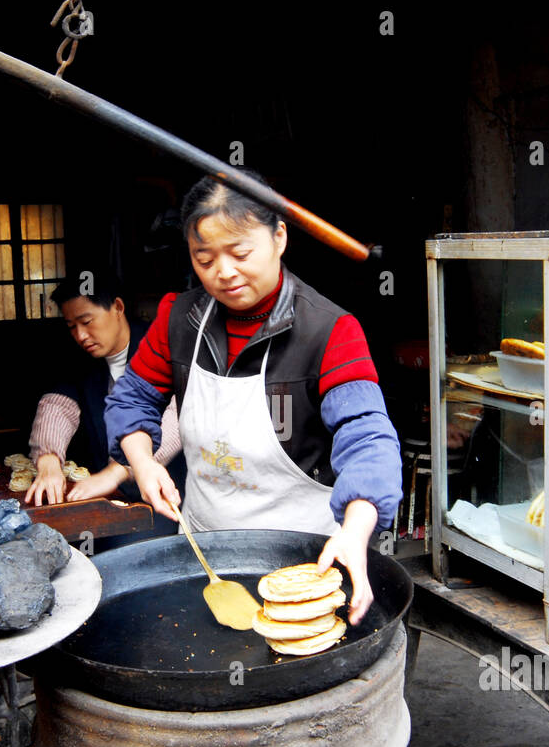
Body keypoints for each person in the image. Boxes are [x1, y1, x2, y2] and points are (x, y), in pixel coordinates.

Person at [105, 171, 402, 624]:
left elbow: (368, 440)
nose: (223, 272)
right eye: (204, 259)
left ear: (279, 236)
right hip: (206, 553)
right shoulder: (177, 319)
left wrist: (355, 533)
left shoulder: (330, 331)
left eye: (240, 253)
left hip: (310, 558)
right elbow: (131, 400)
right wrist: (143, 463)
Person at [25, 272, 185, 525]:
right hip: (111, 497)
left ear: (118, 308)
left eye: (87, 321)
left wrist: (118, 471)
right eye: (72, 327)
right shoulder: (80, 359)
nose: (80, 335)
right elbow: (58, 404)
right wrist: (48, 461)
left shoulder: (157, 346)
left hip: (168, 497)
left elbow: (179, 414)